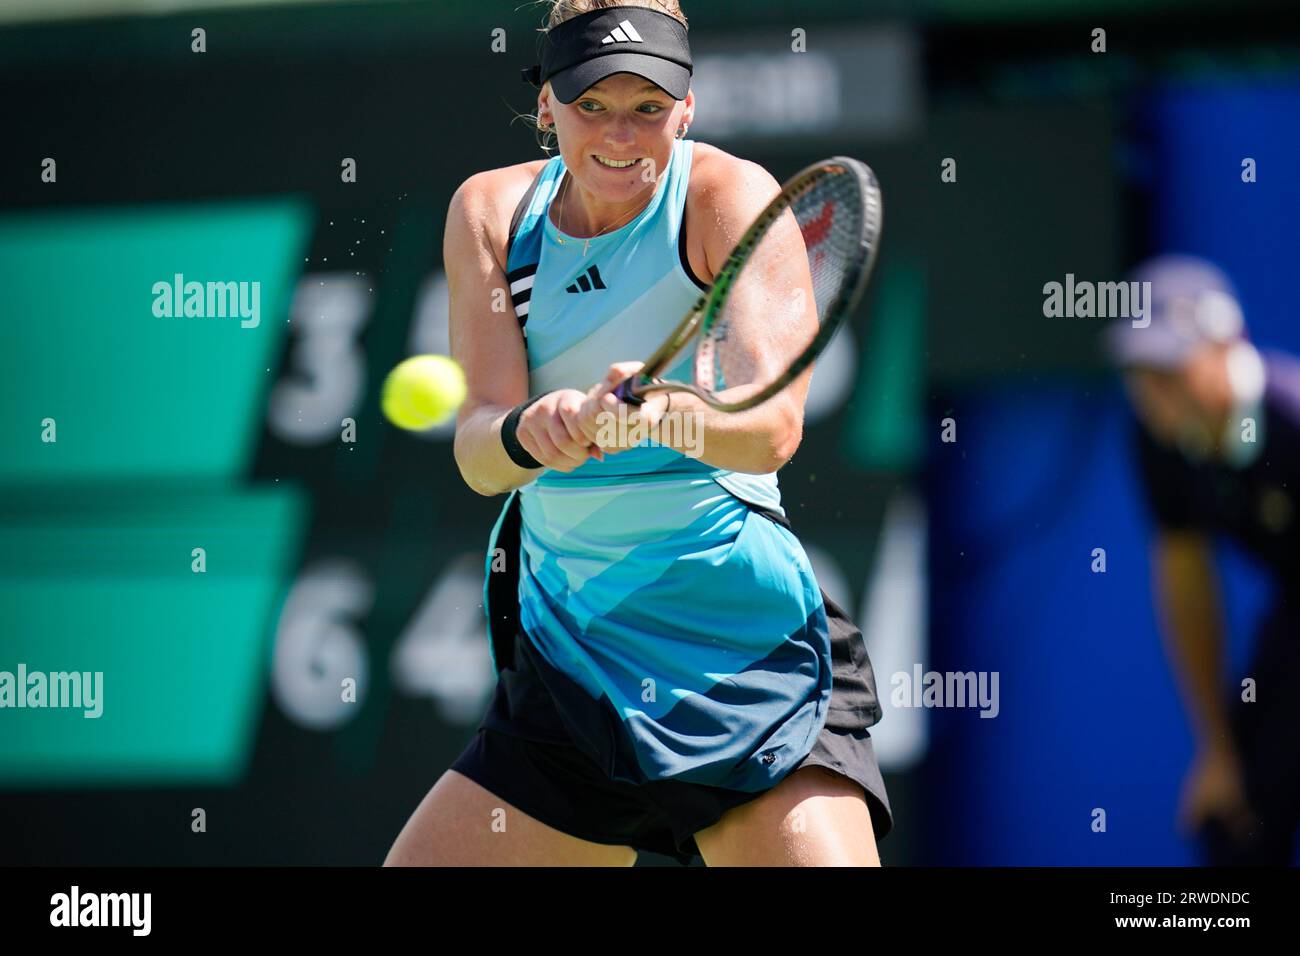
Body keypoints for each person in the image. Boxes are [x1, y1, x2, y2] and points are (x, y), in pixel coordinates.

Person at [384, 0, 893, 867]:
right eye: (592, 105)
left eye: (648, 109)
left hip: (742, 654)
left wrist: (662, 415)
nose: (620, 135)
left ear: (686, 109)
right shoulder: (491, 214)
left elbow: (771, 429)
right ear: (546, 102)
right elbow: (478, 449)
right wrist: (533, 429)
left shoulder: (727, 198)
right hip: (572, 664)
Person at [1109, 254, 1300, 865]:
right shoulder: (1159, 439)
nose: (1151, 392)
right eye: (1139, 372)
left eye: (1168, 367)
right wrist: (1216, 748)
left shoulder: (1293, 417)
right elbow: (1188, 582)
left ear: (1226, 346)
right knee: (1233, 818)